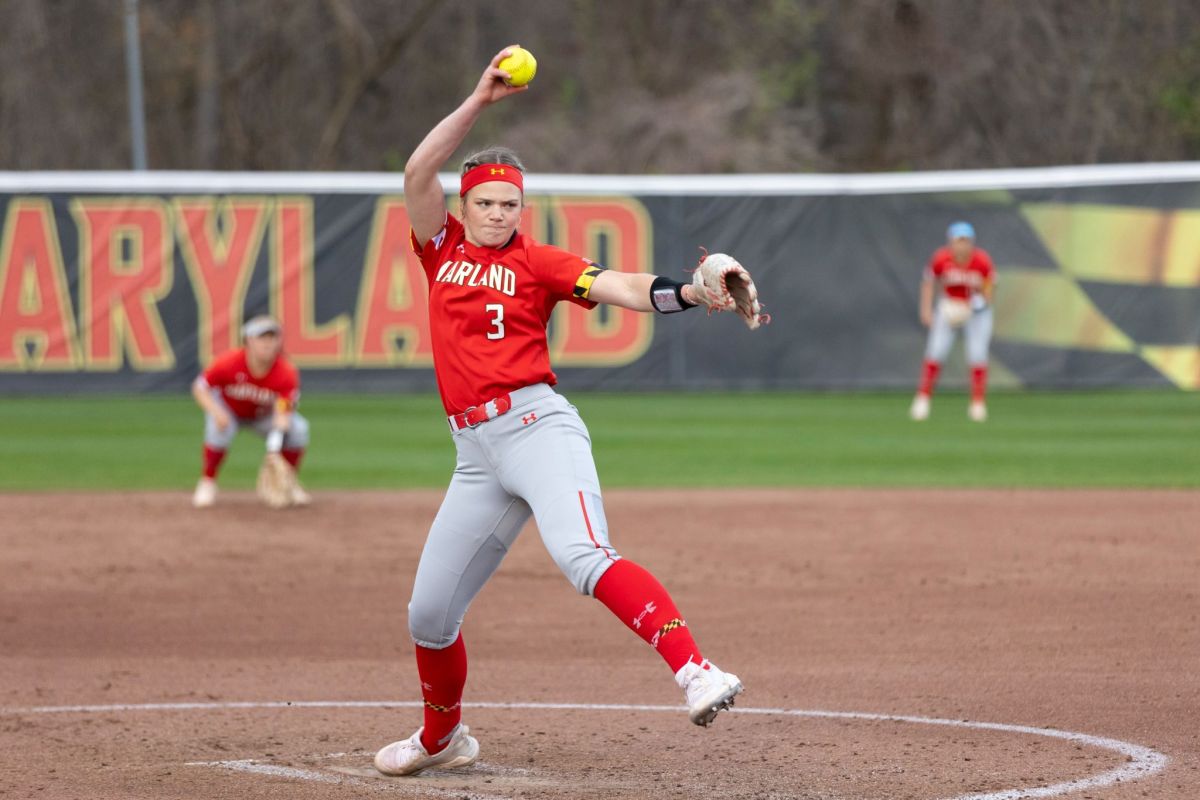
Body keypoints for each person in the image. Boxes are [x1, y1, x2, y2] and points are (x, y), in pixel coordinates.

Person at [372, 46, 744, 777]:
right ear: (465, 203)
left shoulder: (537, 261)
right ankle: (443, 737)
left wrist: (693, 292)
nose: (498, 214)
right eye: (485, 202)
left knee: (582, 556)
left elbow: (624, 286)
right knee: (428, 615)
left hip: (538, 427)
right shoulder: (438, 244)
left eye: (509, 204)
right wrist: (479, 99)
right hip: (475, 453)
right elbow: (417, 173)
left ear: (521, 208)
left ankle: (696, 669)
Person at [190, 315, 311, 507]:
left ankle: (288, 483)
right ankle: (207, 482)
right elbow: (199, 387)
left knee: (298, 429)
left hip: (263, 415)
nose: (268, 343)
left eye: (272, 338)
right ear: (248, 340)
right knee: (217, 428)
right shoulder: (229, 362)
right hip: (229, 410)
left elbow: (283, 411)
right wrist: (216, 411)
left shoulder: (286, 372)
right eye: (262, 338)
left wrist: (274, 447)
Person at [909, 221, 996, 422]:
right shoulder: (941, 259)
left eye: (965, 241)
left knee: (977, 354)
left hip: (976, 311)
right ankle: (922, 399)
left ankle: (977, 404)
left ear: (971, 242)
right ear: (951, 242)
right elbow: (929, 283)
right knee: (935, 351)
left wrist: (973, 305)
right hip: (949, 307)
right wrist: (926, 310)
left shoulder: (981, 261)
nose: (962, 245)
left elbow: (989, 292)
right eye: (958, 241)